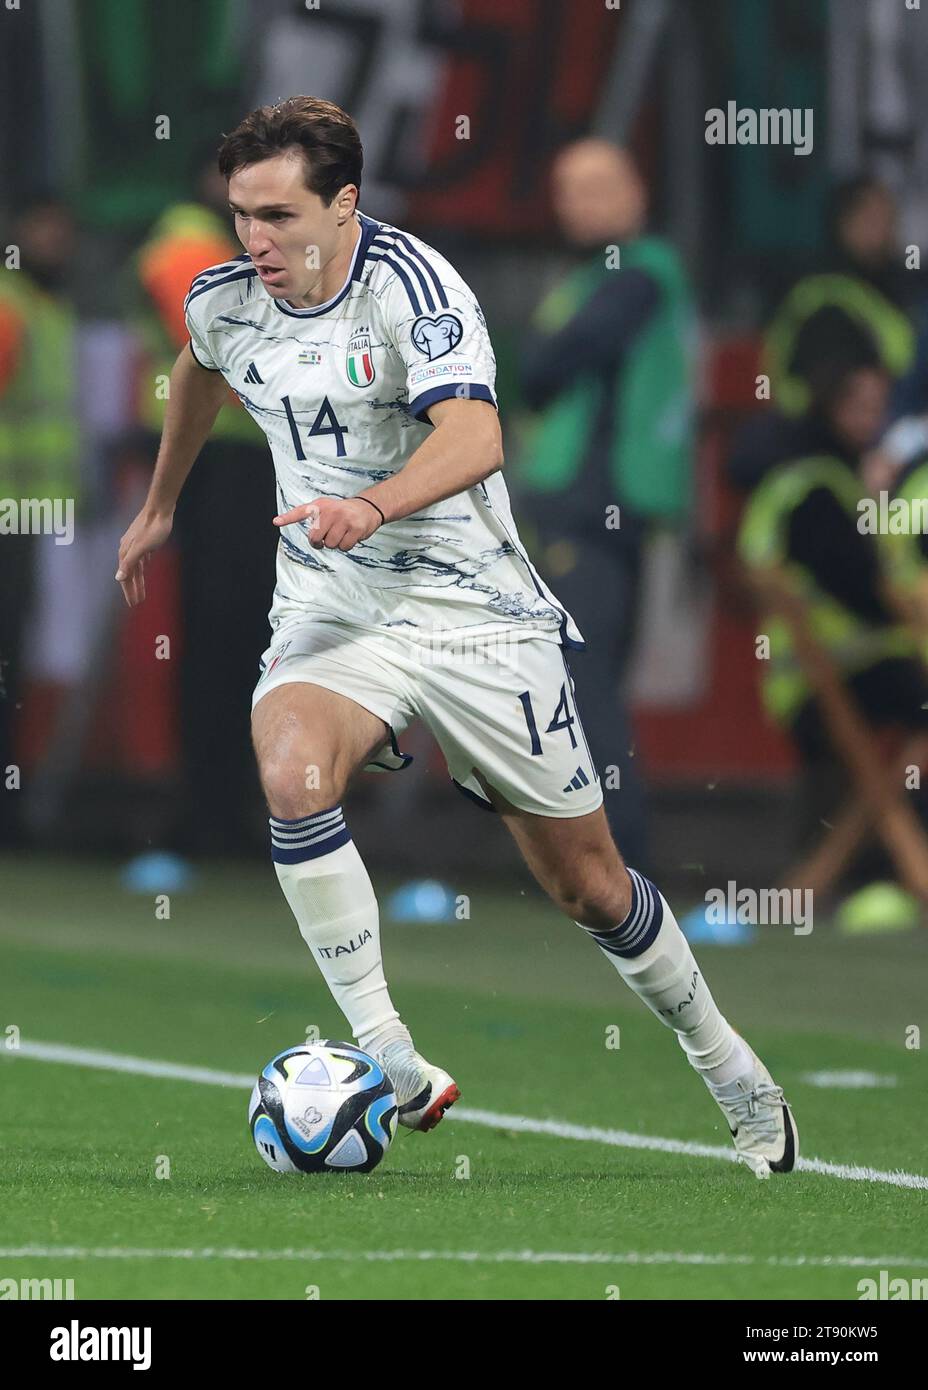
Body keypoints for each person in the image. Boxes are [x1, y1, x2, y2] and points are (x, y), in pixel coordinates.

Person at [115, 96, 796, 1178]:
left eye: (280, 215)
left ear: (345, 205)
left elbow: (476, 435)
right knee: (291, 773)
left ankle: (729, 1067)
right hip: (334, 608)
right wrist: (161, 503)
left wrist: (371, 506)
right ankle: (388, 1055)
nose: (255, 240)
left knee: (591, 886)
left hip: (475, 615)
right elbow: (198, 365)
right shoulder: (228, 299)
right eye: (241, 213)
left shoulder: (415, 289)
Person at [513, 140, 695, 869]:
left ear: (637, 193)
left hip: (597, 506)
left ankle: (619, 864)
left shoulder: (639, 271)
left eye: (596, 186)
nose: (578, 203)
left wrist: (541, 355)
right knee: (583, 682)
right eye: (567, 189)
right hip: (590, 508)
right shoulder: (593, 274)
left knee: (584, 686)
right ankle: (598, 862)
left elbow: (549, 362)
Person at [128, 159, 276, 853]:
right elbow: (222, 347)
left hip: (249, 465)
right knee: (221, 639)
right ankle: (206, 812)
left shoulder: (239, 246)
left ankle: (230, 809)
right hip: (212, 464)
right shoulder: (188, 241)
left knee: (250, 640)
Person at [0, 196, 81, 846]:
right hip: (9, 509)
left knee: (17, 656)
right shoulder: (11, 307)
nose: (58, 240)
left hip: (32, 513)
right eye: (44, 225)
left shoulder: (45, 309)